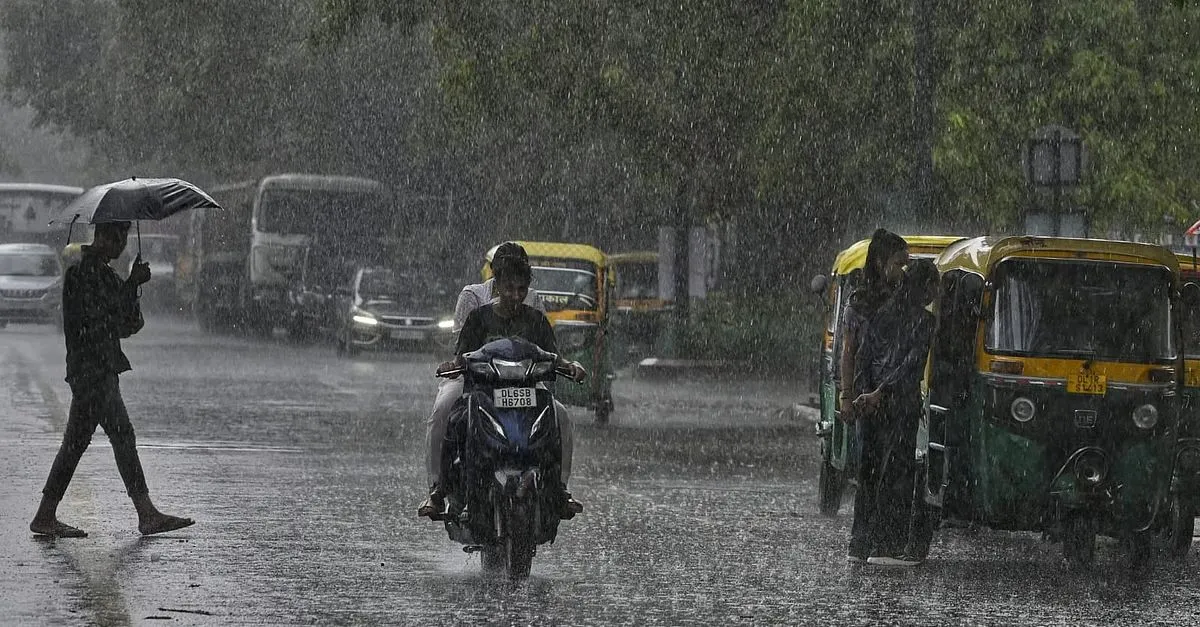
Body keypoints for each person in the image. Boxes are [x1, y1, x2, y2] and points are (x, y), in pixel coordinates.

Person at [30, 221, 194, 538]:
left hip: (101, 368)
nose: (121, 244)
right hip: (92, 369)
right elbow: (99, 318)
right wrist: (130, 284)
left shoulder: (102, 272)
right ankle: (145, 513)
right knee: (117, 436)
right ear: (102, 236)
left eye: (125, 237)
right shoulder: (83, 272)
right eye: (117, 237)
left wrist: (132, 288)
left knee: (81, 443)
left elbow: (126, 325)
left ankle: (47, 514)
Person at [419, 243, 583, 519]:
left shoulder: (534, 313)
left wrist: (569, 366)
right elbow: (462, 350)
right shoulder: (475, 304)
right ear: (497, 277)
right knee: (448, 413)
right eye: (509, 286)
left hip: (524, 385)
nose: (516, 296)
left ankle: (559, 491)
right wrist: (456, 365)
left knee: (560, 416)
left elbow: (551, 353)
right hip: (480, 385)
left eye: (521, 288)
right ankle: (439, 489)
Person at [852, 259, 938, 567]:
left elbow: (864, 355)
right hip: (899, 404)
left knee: (869, 472)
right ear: (924, 287)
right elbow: (911, 364)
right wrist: (882, 392)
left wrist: (865, 393)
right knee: (897, 474)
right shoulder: (925, 322)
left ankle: (861, 542)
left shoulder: (881, 313)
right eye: (933, 286)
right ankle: (887, 543)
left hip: (873, 404)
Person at [840, 228, 909, 564]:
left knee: (896, 472)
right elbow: (848, 352)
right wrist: (846, 395)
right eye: (899, 263)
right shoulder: (859, 304)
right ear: (882, 262)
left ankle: (889, 540)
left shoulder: (905, 301)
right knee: (868, 470)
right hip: (867, 399)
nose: (903, 270)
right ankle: (862, 540)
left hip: (897, 395)